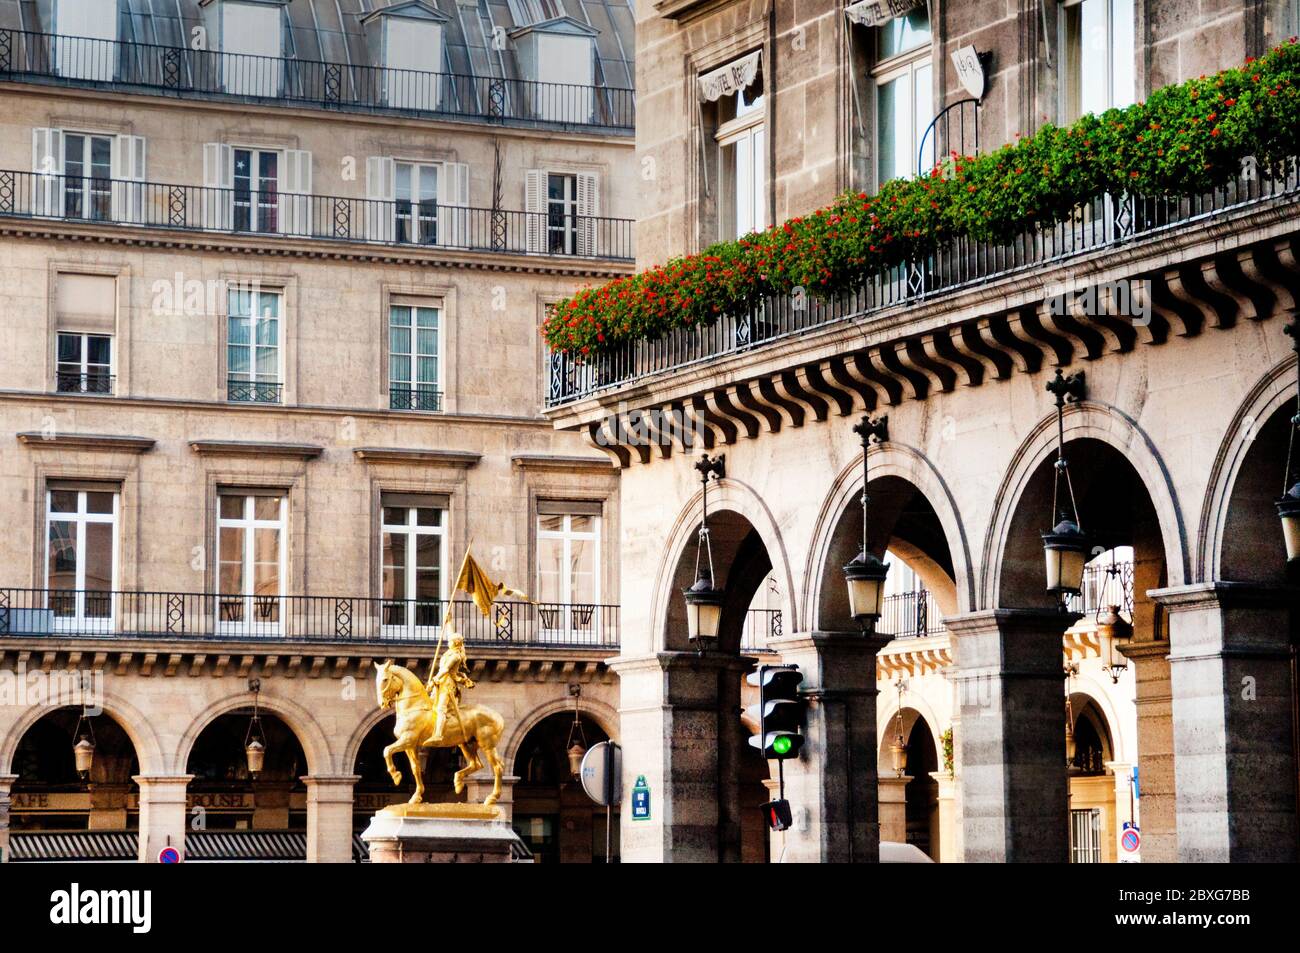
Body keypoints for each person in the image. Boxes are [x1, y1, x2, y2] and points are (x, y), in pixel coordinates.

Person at [428, 631, 474, 741]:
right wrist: (448, 621)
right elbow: (451, 630)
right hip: (441, 682)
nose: (448, 642)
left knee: (440, 709)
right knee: (430, 703)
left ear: (455, 643)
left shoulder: (456, 656)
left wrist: (435, 678)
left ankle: (438, 734)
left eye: (450, 641)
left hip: (447, 684)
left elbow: (446, 669)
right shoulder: (450, 652)